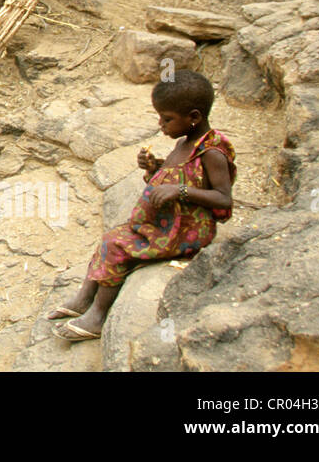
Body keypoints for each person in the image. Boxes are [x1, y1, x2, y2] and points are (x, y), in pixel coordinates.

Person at [49, 69, 236, 341]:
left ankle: (98, 316)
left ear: (194, 117)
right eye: (160, 117)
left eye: (168, 119)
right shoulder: (185, 141)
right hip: (168, 223)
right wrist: (154, 169)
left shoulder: (212, 152)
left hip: (187, 231)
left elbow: (223, 198)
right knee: (110, 238)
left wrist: (179, 191)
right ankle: (83, 298)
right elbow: (176, 175)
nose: (161, 124)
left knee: (117, 246)